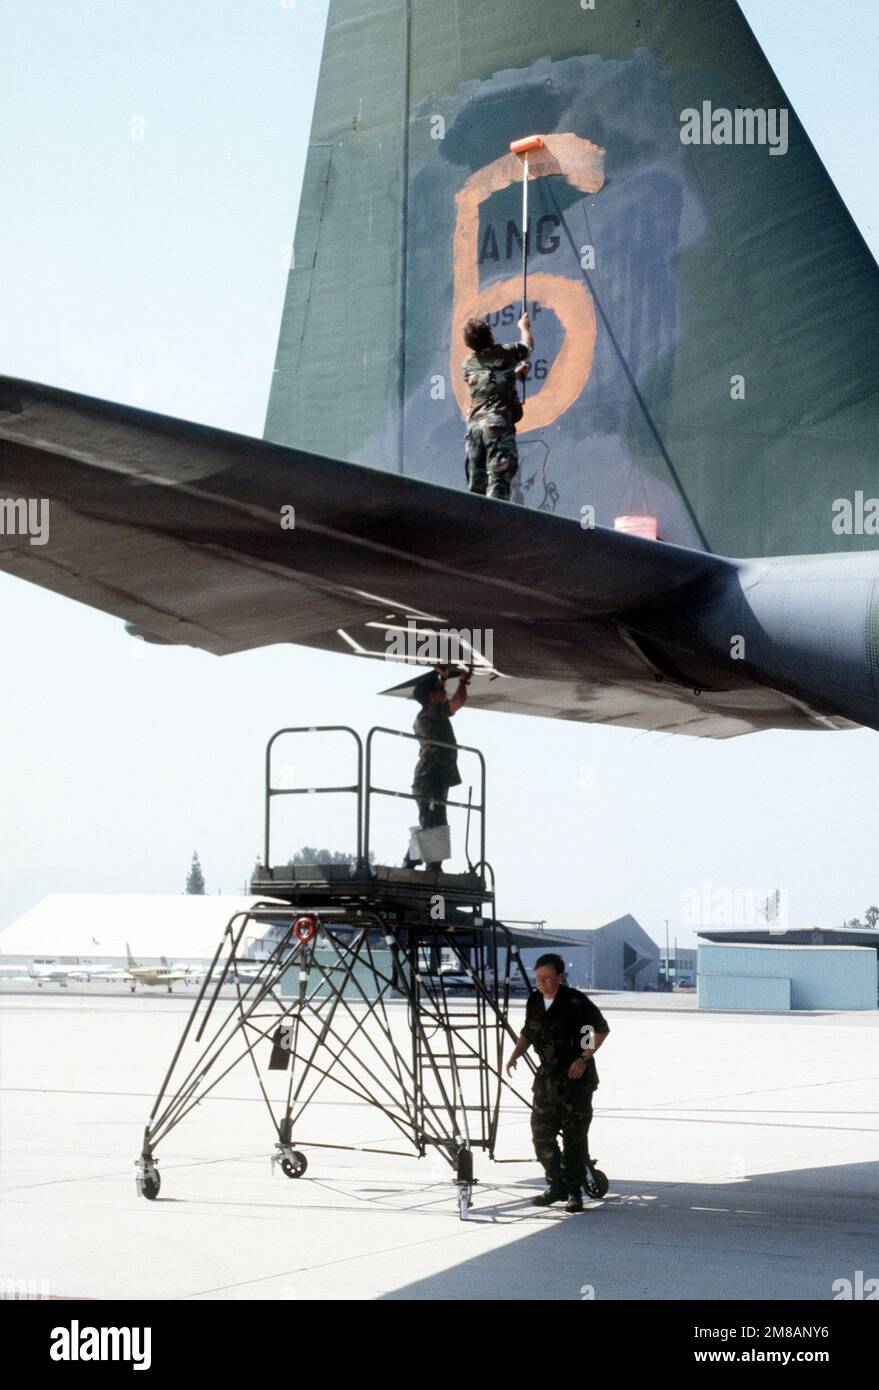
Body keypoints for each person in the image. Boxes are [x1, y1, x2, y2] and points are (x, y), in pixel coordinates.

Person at [506, 953, 610, 1212]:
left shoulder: (576, 1001)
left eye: (547, 977)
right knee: (541, 1135)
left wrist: (584, 1058)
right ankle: (556, 1185)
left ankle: (575, 1192)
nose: (542, 982)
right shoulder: (534, 1001)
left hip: (576, 1080)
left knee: (574, 1138)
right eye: (538, 977)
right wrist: (514, 1055)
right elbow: (528, 1031)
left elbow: (597, 1029)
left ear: (560, 977)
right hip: (547, 1079)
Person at [402, 664, 470, 871]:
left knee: (434, 821)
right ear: (431, 696)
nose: (444, 692)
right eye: (440, 690)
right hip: (429, 778)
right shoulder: (431, 714)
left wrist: (442, 679)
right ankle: (427, 865)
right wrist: (463, 681)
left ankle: (417, 862)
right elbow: (459, 701)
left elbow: (438, 696)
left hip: (435, 778)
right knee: (433, 822)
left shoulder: (430, 712)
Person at [462, 311, 534, 501]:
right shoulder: (507, 352)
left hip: (474, 430)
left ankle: (476, 526)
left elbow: (487, 381)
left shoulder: (468, 364)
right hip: (496, 425)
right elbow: (528, 347)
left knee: (476, 489)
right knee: (498, 482)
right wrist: (523, 327)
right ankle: (494, 525)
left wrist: (513, 375)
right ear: (490, 336)